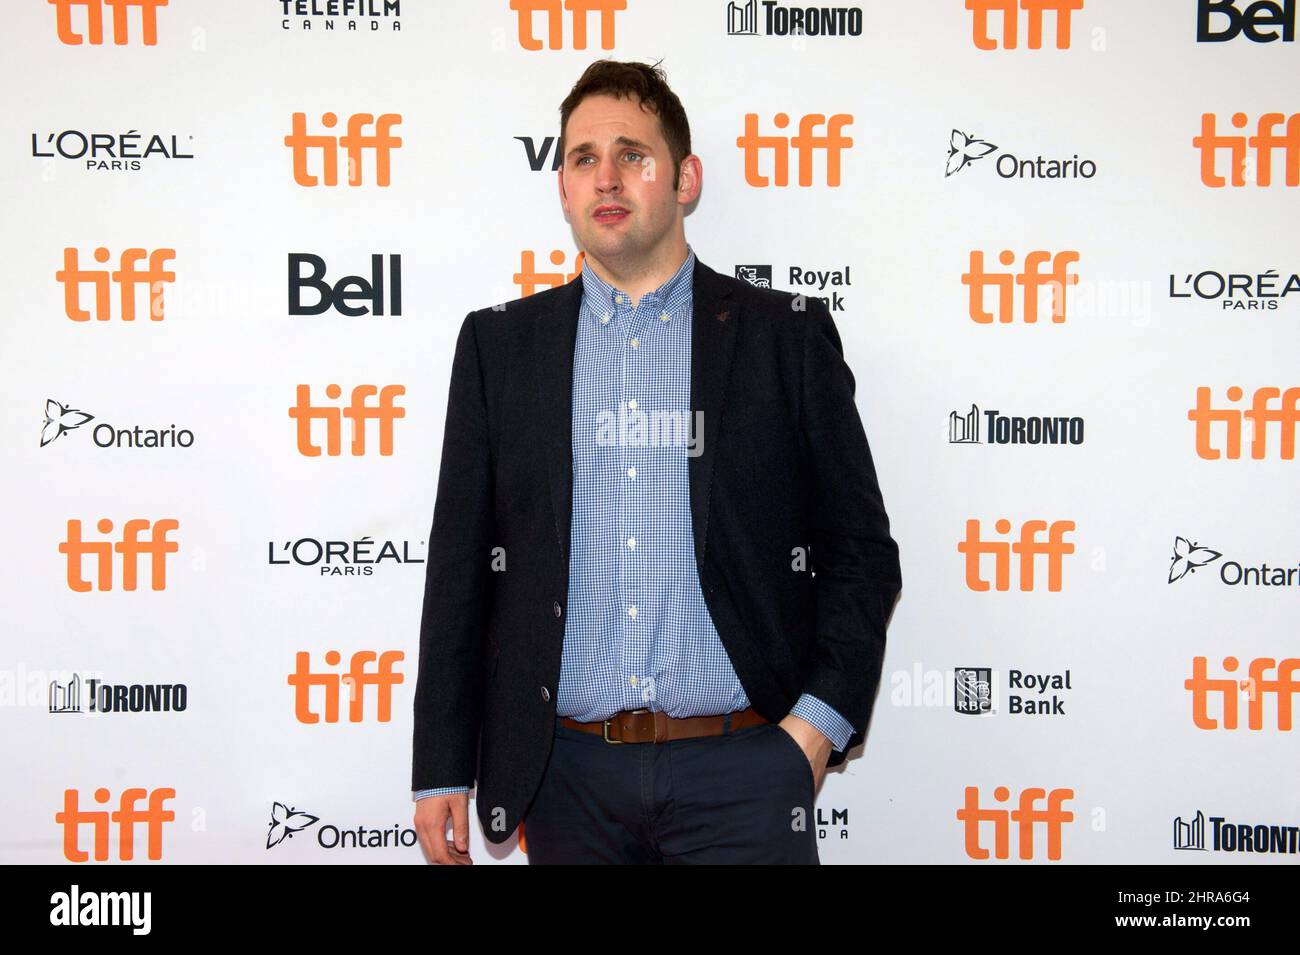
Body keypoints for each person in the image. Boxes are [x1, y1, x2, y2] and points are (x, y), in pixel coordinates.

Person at [410, 59, 901, 865]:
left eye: (633, 154)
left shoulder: (785, 338)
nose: (606, 176)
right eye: (582, 157)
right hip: (565, 778)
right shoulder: (499, 347)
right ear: (562, 187)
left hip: (745, 772)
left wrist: (810, 734)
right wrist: (440, 770)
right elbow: (461, 568)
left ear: (685, 178)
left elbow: (860, 551)